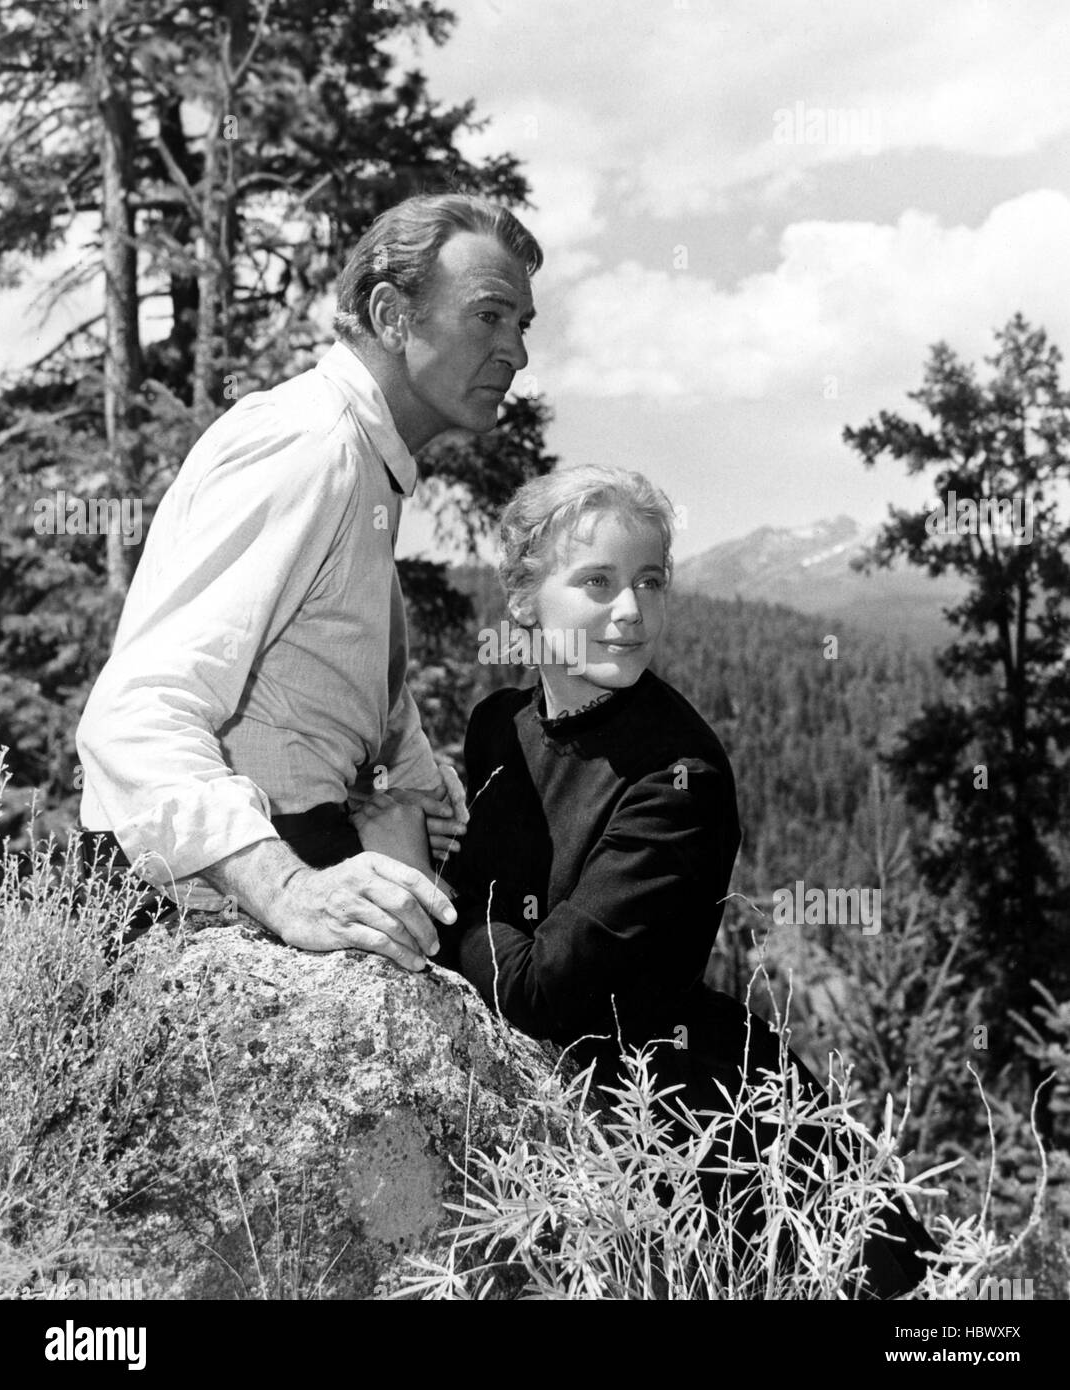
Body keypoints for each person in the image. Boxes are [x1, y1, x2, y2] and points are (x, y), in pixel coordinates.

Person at [418, 463, 938, 1297]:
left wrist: (440, 912)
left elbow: (540, 989)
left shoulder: (676, 773)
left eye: (650, 583)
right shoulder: (497, 730)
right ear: (522, 596)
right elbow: (498, 901)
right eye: (597, 582)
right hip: (582, 1115)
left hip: (698, 1128)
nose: (630, 613)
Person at [75, 193, 541, 970]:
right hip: (205, 899)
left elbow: (329, 668)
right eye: (489, 316)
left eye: (521, 326)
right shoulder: (308, 445)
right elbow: (134, 714)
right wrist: (288, 890)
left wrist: (422, 789)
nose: (516, 354)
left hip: (287, 854)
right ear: (392, 314)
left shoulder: (363, 458)